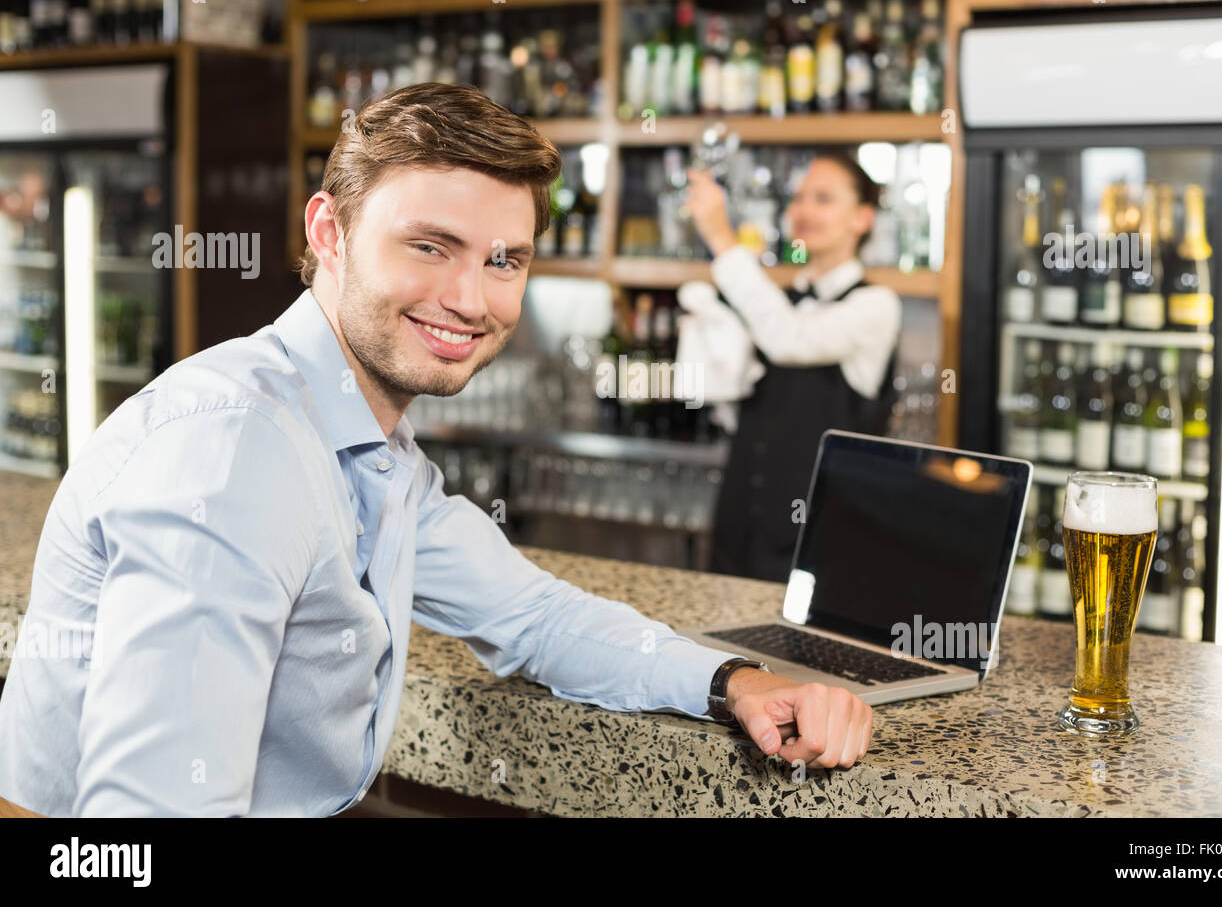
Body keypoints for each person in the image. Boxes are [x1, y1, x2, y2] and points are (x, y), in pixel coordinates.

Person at [0, 84, 873, 817]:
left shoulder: (367, 448)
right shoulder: (239, 454)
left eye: (504, 261)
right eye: (429, 246)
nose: (470, 299)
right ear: (329, 233)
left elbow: (535, 618)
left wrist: (736, 682)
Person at [682, 152, 903, 584]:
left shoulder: (876, 306)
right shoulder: (779, 303)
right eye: (798, 198)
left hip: (822, 547)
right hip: (738, 528)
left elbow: (789, 341)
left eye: (823, 198)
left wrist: (721, 238)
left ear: (862, 218)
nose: (802, 210)